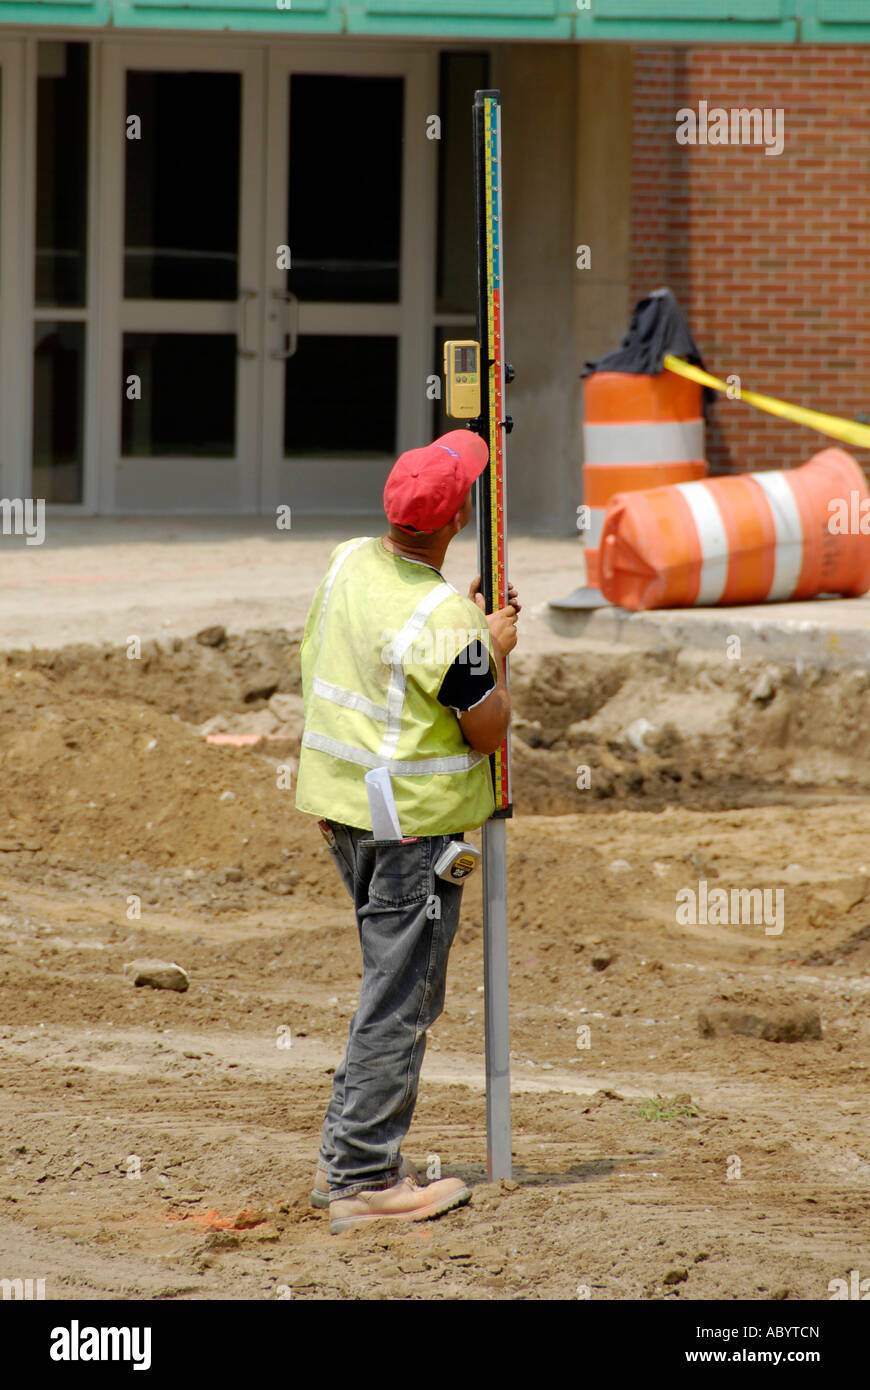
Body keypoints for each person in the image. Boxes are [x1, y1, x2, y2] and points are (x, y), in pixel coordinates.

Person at [294, 429, 520, 1233]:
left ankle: (344, 1166)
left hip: (344, 813)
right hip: (411, 838)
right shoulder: (450, 619)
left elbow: (359, 652)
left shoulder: (349, 561)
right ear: (456, 517)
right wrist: (486, 651)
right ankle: (361, 1180)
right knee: (400, 1002)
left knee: (386, 991)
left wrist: (461, 630)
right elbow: (486, 731)